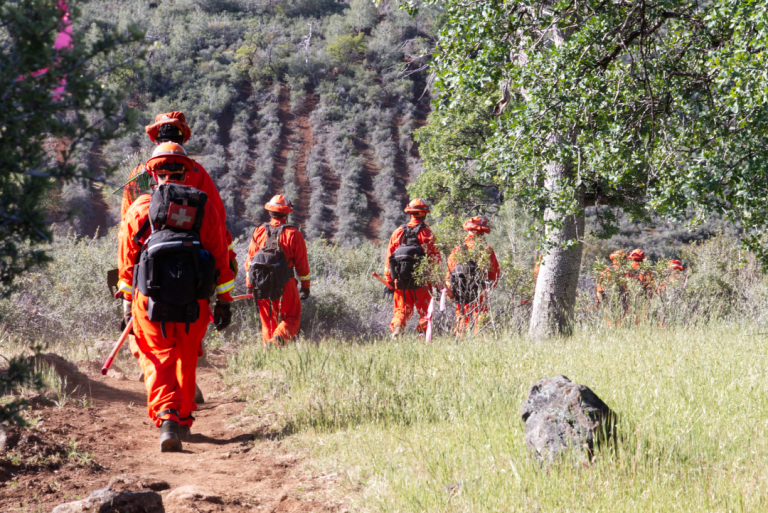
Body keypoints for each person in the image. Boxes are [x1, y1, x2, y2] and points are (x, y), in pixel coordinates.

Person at [117, 142, 235, 452]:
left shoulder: (139, 208)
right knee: (185, 356)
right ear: (185, 171)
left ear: (152, 172)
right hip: (194, 299)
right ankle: (182, 420)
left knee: (157, 356)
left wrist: (128, 306)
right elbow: (220, 256)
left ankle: (167, 417)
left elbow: (127, 263)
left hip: (149, 296)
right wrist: (223, 300)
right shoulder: (204, 206)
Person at [120, 111, 237, 274]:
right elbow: (216, 219)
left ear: (155, 141)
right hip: (190, 265)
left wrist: (126, 272)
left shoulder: (141, 174)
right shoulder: (196, 171)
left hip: (148, 266)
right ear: (182, 141)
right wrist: (228, 257)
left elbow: (127, 223)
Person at [245, 195, 311, 346]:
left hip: (261, 283)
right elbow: (302, 265)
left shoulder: (259, 231)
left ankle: (269, 353)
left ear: (270, 212)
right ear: (287, 213)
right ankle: (277, 340)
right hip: (286, 282)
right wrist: (305, 286)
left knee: (268, 321)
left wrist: (250, 285)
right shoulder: (293, 234)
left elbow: (250, 261)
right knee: (292, 317)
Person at [384, 198, 441, 338]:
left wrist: (390, 281)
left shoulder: (397, 233)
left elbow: (389, 259)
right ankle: (420, 337)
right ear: (424, 215)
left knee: (401, 311)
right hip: (422, 282)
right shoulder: (428, 235)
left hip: (401, 281)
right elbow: (435, 262)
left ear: (410, 214)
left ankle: (397, 329)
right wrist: (438, 284)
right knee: (425, 312)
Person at [445, 217, 500, 334]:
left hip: (460, 288)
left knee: (461, 313)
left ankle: (460, 337)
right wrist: (488, 290)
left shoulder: (458, 249)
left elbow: (449, 271)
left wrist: (450, 291)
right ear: (482, 233)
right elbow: (494, 274)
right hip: (479, 289)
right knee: (480, 313)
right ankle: (480, 338)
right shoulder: (487, 250)